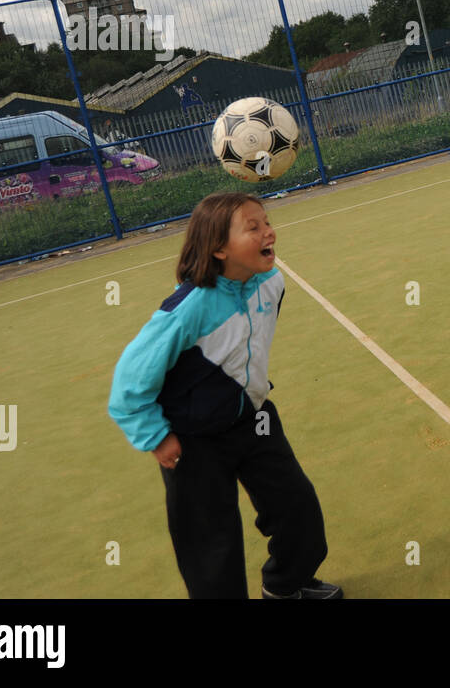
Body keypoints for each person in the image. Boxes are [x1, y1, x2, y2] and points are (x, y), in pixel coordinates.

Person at [109, 191, 340, 599]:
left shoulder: (272, 282)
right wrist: (157, 436)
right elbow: (128, 383)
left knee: (298, 511)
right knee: (212, 548)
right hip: (193, 440)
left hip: (254, 420)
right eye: (253, 228)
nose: (269, 232)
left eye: (266, 222)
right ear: (218, 248)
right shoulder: (187, 309)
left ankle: (285, 587)